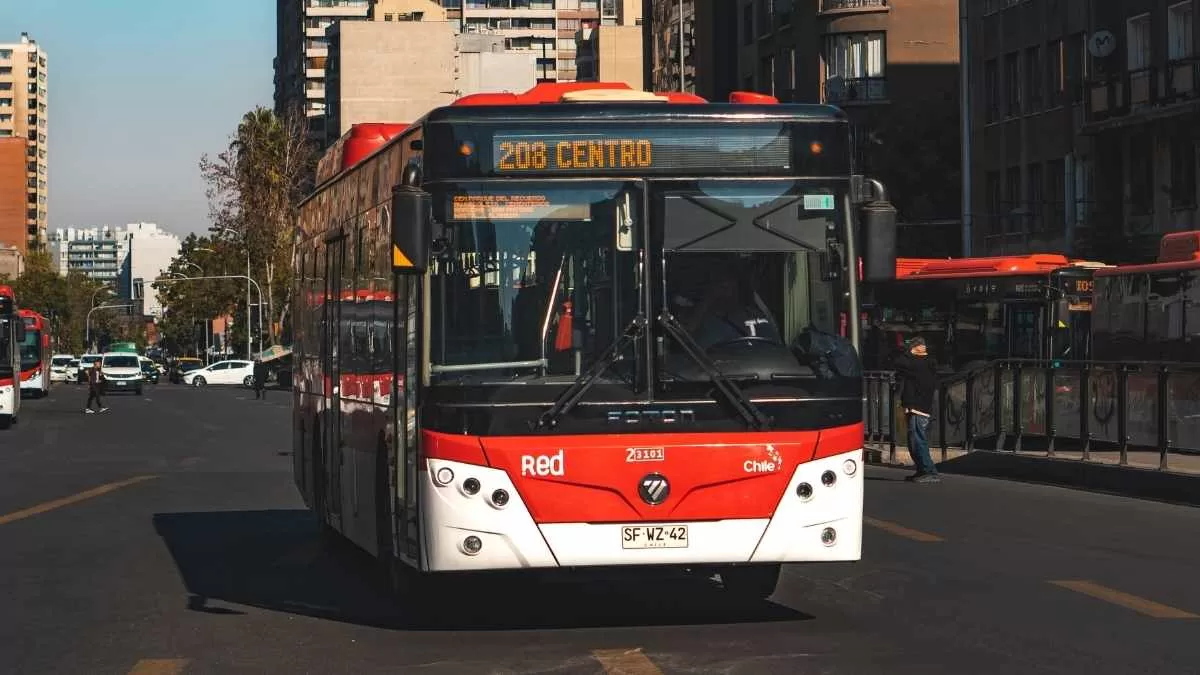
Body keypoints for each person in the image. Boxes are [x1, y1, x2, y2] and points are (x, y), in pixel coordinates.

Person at [891, 336, 939, 482]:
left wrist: (907, 352)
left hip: (919, 407)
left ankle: (929, 471)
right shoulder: (923, 363)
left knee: (918, 439)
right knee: (914, 440)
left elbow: (898, 362)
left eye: (912, 346)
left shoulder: (918, 363)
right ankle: (922, 469)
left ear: (917, 348)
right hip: (916, 407)